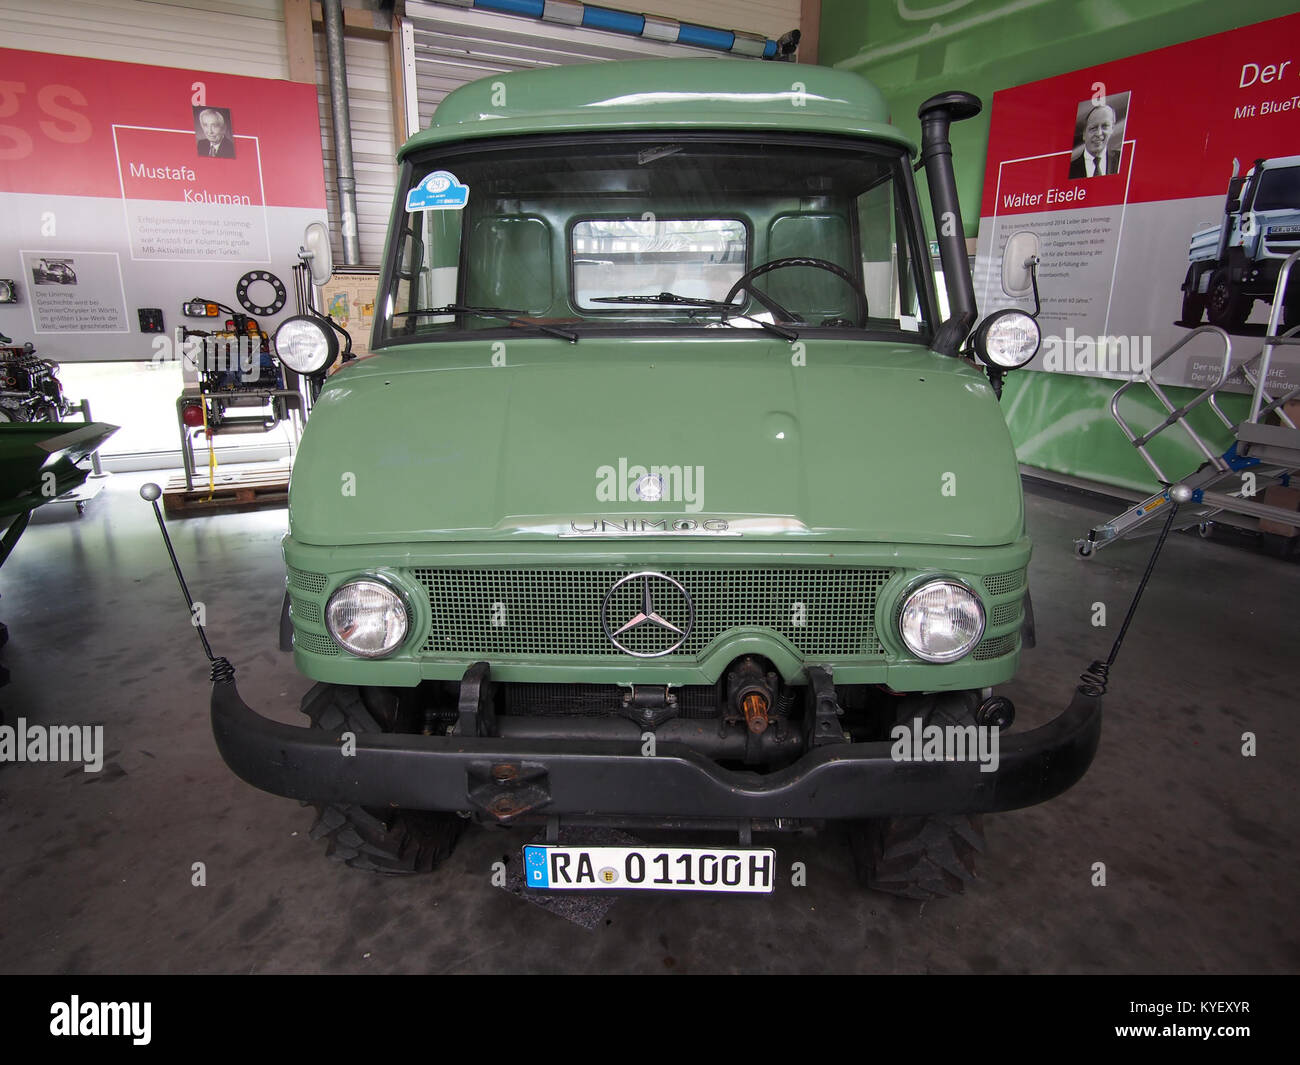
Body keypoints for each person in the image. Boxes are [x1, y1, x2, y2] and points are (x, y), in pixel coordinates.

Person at [1069, 104, 1121, 178]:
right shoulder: (1071, 169)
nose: (1099, 133)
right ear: (1084, 134)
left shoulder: (1123, 160)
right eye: (1093, 128)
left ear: (1112, 129)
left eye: (1105, 126)